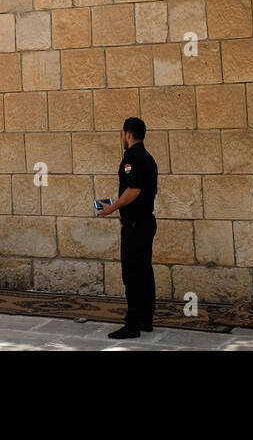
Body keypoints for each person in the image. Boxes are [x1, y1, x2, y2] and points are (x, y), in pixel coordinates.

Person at [98, 116, 158, 339]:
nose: (122, 138)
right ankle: (146, 320)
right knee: (144, 272)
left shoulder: (131, 158)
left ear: (128, 134)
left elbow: (134, 190)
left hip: (135, 225)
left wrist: (111, 207)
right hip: (145, 222)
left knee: (132, 274)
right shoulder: (149, 158)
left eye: (123, 134)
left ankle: (132, 324)